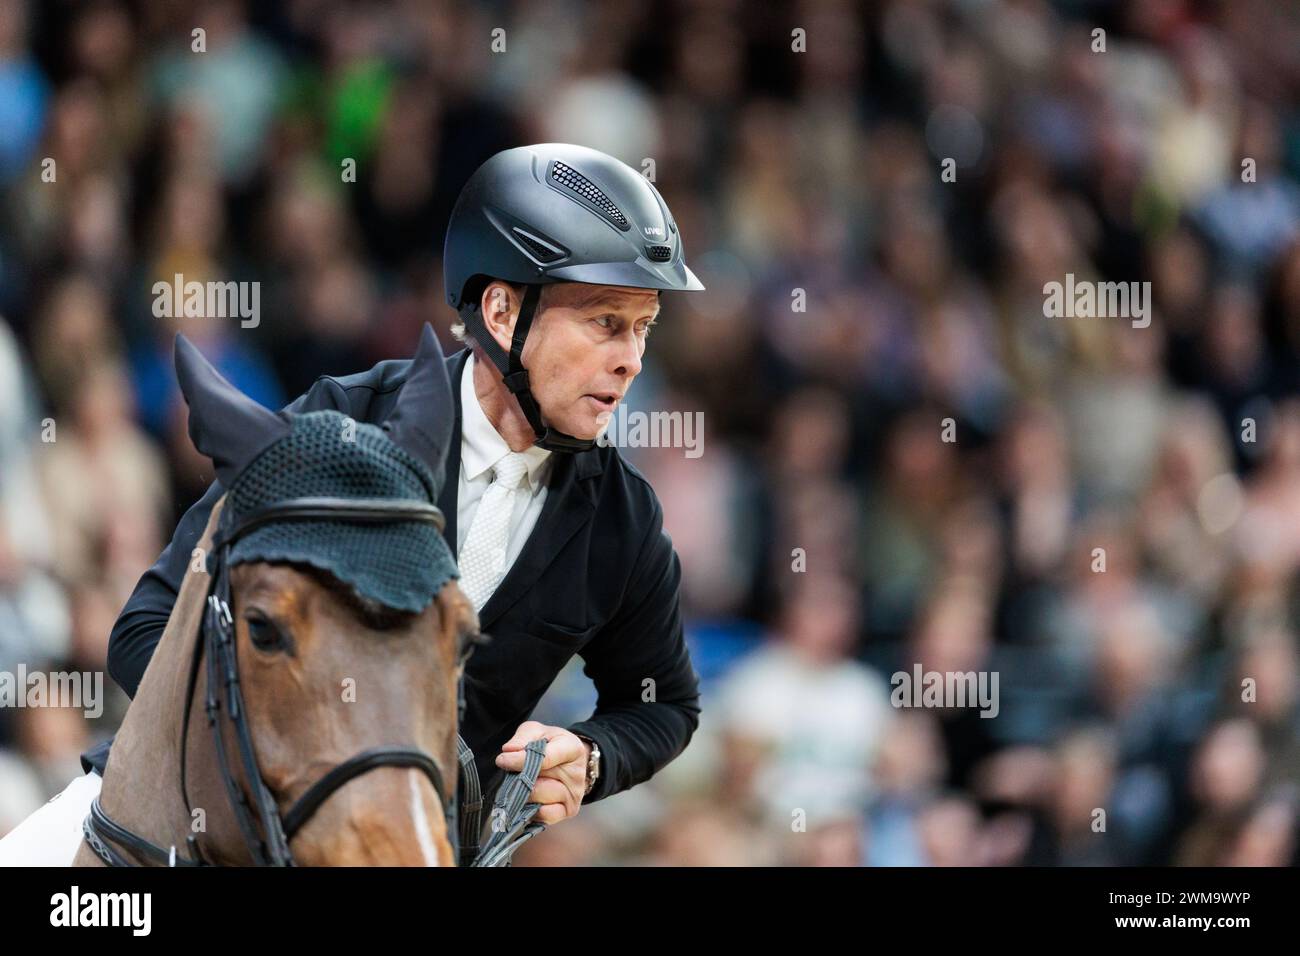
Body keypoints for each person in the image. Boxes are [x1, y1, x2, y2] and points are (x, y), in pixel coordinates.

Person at [0, 142, 705, 865]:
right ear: (501, 310)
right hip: (175, 830)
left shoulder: (624, 518)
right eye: (606, 323)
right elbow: (145, 628)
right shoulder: (342, 426)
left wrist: (592, 754)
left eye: (642, 327)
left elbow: (665, 706)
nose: (633, 359)